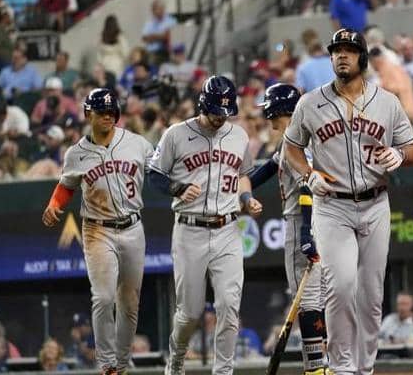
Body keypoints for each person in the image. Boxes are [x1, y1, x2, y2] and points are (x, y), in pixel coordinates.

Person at [283, 28, 413, 375]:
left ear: (362, 57)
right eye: (336, 50)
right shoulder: (309, 103)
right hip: (333, 206)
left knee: (371, 296)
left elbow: (412, 149)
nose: (341, 55)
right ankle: (342, 369)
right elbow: (291, 149)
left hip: (375, 203)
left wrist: (399, 155)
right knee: (341, 289)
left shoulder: (386, 102)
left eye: (348, 50)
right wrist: (308, 174)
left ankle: (365, 368)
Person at [147, 75, 263, 375]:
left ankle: (223, 372)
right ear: (203, 105)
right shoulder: (176, 134)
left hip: (228, 229)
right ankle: (176, 360)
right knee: (190, 313)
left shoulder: (237, 136)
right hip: (190, 229)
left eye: (225, 113)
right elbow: (154, 175)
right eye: (215, 112)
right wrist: (177, 188)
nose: (220, 118)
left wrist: (247, 198)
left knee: (229, 305)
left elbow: (243, 174)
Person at [42, 89, 153, 375]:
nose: (107, 116)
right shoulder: (76, 153)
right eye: (101, 111)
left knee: (129, 302)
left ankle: (123, 361)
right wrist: (55, 204)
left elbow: (159, 172)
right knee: (103, 297)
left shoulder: (137, 144)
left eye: (111, 112)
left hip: (132, 226)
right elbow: (66, 185)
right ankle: (107, 365)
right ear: (87, 113)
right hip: (97, 229)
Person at [247, 83, 328, 375]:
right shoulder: (295, 140)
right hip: (320, 221)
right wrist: (240, 187)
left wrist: (306, 232)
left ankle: (315, 367)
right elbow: (269, 168)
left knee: (307, 300)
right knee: (316, 299)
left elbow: (306, 184)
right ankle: (321, 365)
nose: (267, 118)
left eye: (270, 111)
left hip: (301, 221)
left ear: (282, 111)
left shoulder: (299, 143)